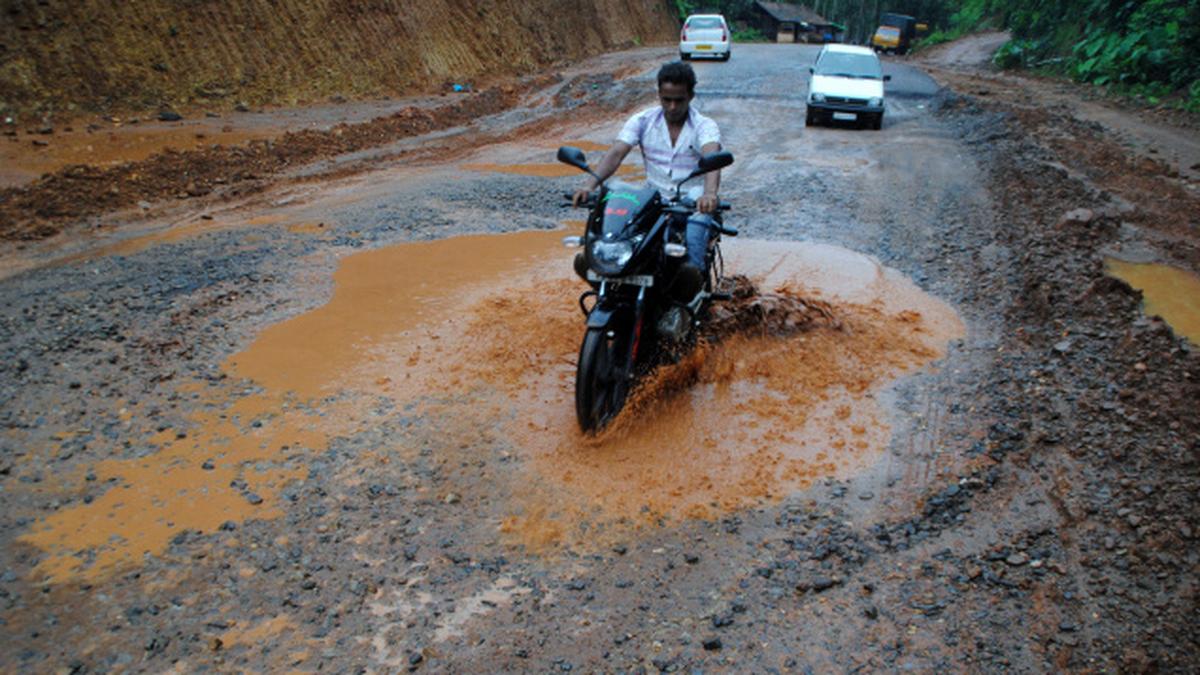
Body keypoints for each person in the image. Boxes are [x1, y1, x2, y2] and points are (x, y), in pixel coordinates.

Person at [572, 61, 723, 295]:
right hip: (654, 200)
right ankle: (612, 283)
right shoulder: (642, 121)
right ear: (659, 95)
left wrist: (709, 194)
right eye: (666, 100)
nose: (672, 107)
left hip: (693, 203)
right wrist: (590, 185)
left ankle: (691, 292)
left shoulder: (704, 126)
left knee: (696, 232)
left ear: (691, 96)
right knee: (616, 232)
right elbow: (616, 154)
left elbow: (712, 157)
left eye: (679, 100)